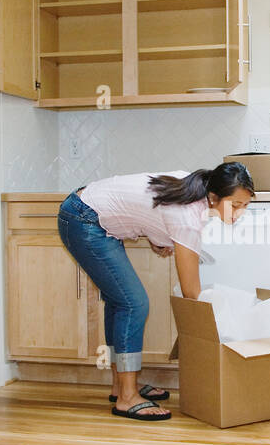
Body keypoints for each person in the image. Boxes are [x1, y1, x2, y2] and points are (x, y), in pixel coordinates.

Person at [57, 161, 255, 420]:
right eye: (235, 205)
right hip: (84, 218)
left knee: (120, 302)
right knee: (133, 304)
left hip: (89, 209)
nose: (239, 212)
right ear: (214, 197)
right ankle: (127, 397)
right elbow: (191, 293)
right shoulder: (188, 217)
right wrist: (215, 334)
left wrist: (156, 237)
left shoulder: (191, 185)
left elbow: (150, 205)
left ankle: (122, 387)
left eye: (245, 206)